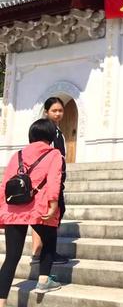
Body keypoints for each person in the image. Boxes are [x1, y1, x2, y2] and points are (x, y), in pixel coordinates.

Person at [0, 119, 64, 302]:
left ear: (32, 135)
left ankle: (1, 302)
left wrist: (1, 209)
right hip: (40, 207)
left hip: (14, 208)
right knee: (50, 240)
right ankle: (43, 280)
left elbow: (5, 184)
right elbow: (54, 180)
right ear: (52, 136)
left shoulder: (17, 154)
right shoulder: (54, 154)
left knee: (11, 258)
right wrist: (53, 205)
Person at [31, 97, 69, 265]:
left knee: (55, 215)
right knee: (49, 216)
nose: (58, 113)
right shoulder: (45, 131)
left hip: (57, 179)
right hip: (48, 181)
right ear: (46, 112)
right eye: (54, 110)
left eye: (60, 110)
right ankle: (45, 253)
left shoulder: (58, 131)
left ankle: (43, 251)